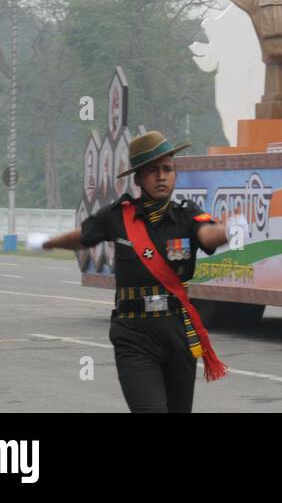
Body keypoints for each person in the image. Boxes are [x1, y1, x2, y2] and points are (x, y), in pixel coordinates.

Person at [42, 131, 228, 412]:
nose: (161, 177)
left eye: (167, 169)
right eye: (152, 171)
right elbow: (84, 237)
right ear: (138, 179)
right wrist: (49, 242)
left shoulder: (188, 216)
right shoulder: (117, 216)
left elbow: (208, 234)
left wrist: (226, 231)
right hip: (134, 334)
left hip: (177, 332)